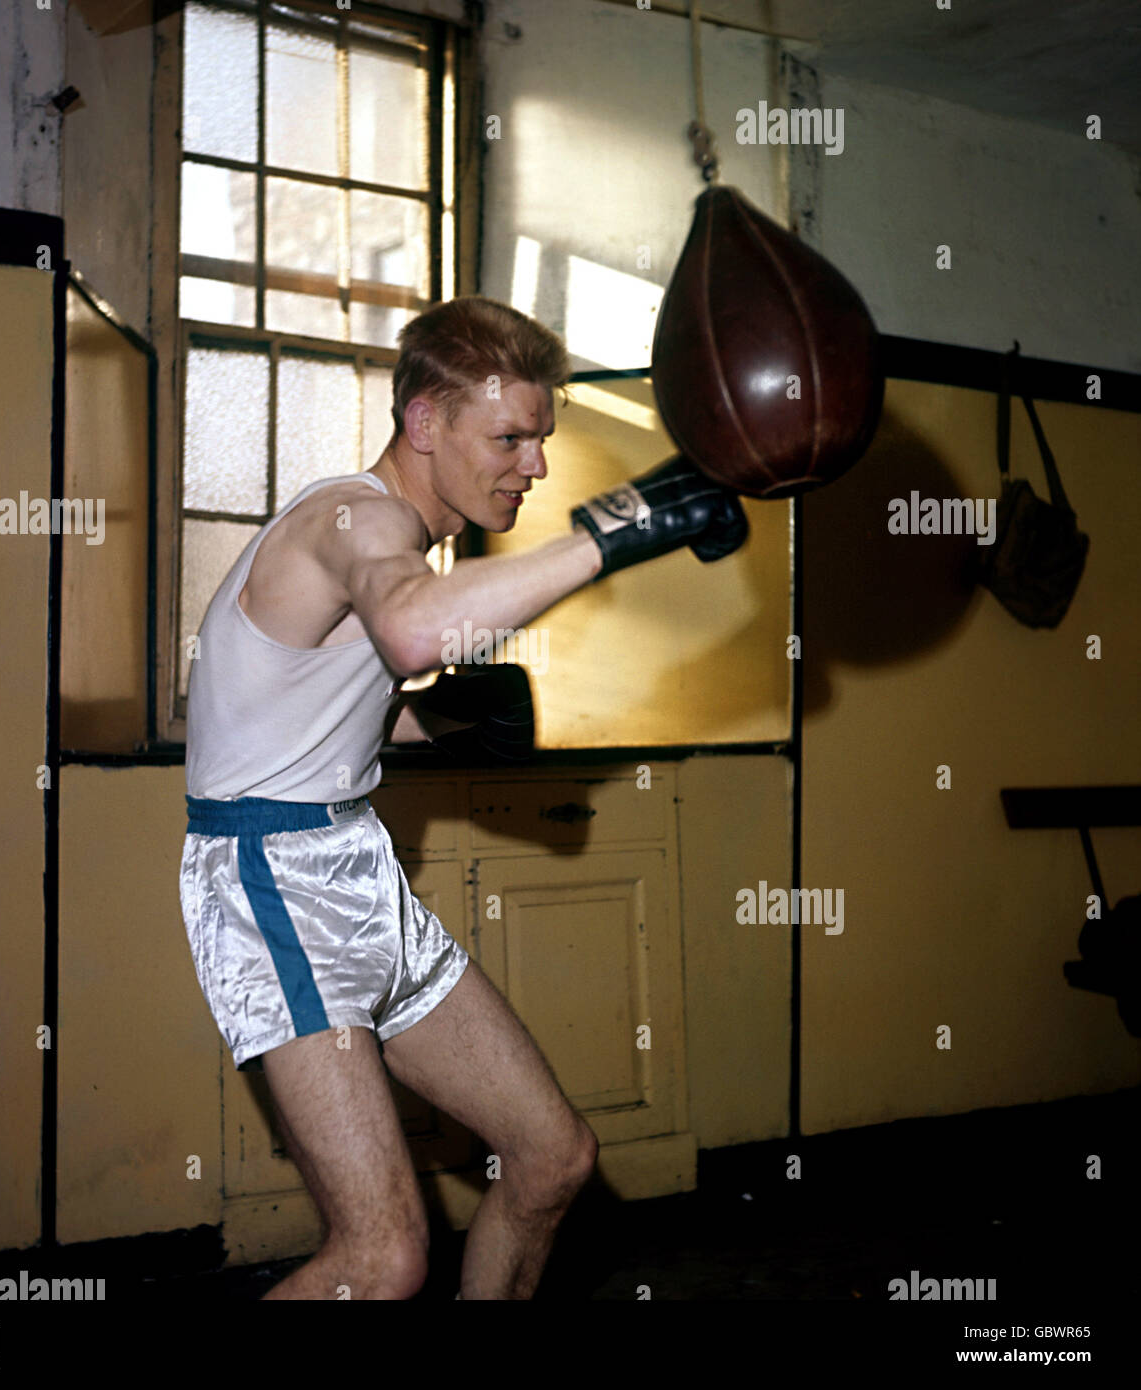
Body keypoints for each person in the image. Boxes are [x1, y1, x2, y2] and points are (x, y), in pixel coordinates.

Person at [178, 295, 746, 1300]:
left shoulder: (392, 542)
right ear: (425, 422)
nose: (531, 462)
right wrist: (613, 531)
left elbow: (292, 705)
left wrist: (428, 724)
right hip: (272, 880)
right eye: (509, 436)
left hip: (353, 868)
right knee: (382, 1258)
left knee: (551, 1154)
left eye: (540, 437)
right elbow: (407, 633)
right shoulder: (355, 516)